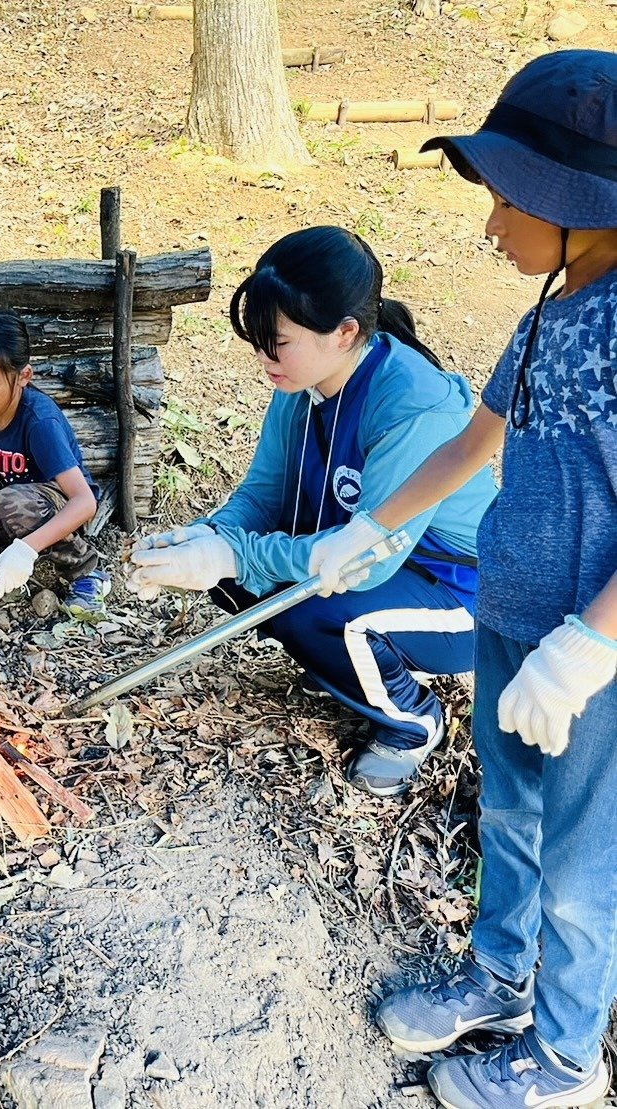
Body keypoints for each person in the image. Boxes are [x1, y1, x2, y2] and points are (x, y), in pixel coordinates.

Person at [311, 51, 617, 1109]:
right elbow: (471, 443)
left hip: (587, 655)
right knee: (509, 815)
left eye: (507, 198)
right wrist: (370, 525)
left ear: (579, 205)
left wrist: (590, 644)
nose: (490, 222)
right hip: (509, 612)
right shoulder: (544, 318)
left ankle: (565, 1057)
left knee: (581, 861)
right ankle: (498, 977)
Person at [125, 226, 498, 796]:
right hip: (377, 561)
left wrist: (231, 554)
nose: (262, 357)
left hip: (462, 592)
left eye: (278, 341)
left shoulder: (412, 407)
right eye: (257, 340)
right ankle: (354, 664)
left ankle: (413, 721)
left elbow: (367, 563)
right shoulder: (304, 381)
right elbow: (264, 495)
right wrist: (201, 540)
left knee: (313, 611)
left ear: (345, 332)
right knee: (238, 578)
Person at [0, 310, 109, 616]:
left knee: (12, 501)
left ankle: (86, 571)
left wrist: (27, 549)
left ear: (23, 376)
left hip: (58, 507)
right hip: (11, 499)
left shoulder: (39, 422)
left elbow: (85, 502)